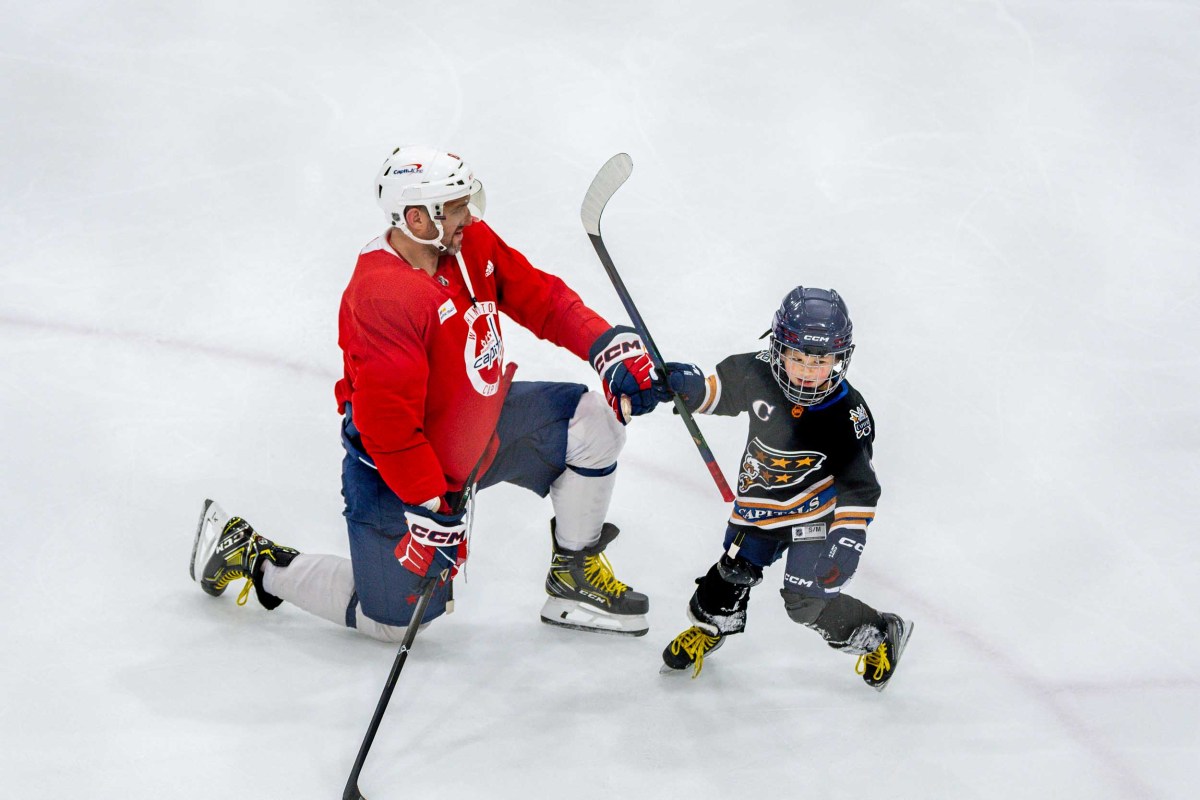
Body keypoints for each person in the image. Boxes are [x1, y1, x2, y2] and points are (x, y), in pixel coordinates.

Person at [189, 145, 664, 640]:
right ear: (417, 218)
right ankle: (252, 556)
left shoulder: (468, 244)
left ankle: (573, 578)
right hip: (397, 472)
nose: (469, 215)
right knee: (395, 622)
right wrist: (429, 507)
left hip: (478, 436)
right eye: (455, 206)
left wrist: (604, 344)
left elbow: (538, 295)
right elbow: (387, 428)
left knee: (592, 422)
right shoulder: (383, 296)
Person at [657, 286, 913, 689]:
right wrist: (688, 386)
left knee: (805, 602)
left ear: (839, 359)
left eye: (820, 360)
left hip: (815, 517)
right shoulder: (756, 372)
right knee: (730, 574)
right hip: (760, 510)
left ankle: (880, 633)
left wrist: (847, 540)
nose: (808, 370)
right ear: (777, 350)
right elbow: (717, 392)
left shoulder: (847, 414)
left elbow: (859, 488)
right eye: (797, 358)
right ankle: (712, 629)